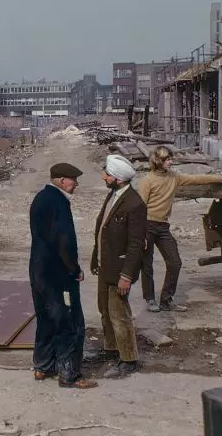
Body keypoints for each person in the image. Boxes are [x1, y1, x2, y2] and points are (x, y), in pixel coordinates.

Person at [139, 146, 222, 312]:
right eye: (167, 160)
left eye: (170, 159)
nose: (171, 162)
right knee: (146, 264)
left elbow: (197, 178)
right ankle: (150, 299)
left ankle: (166, 300)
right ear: (158, 161)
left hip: (163, 227)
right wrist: (139, 232)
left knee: (175, 263)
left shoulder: (174, 177)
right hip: (147, 225)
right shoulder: (147, 180)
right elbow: (140, 207)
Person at [29, 162, 97, 389]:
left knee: (45, 317)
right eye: (73, 179)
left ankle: (43, 366)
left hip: (38, 270)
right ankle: (69, 374)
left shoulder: (40, 198)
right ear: (60, 179)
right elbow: (64, 241)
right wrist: (74, 269)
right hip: (58, 273)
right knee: (68, 321)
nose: (76, 183)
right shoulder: (59, 203)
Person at [89, 155, 147, 379]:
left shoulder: (134, 204)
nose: (104, 177)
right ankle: (111, 350)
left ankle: (129, 359)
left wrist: (126, 275)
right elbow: (102, 231)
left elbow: (136, 245)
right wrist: (96, 259)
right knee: (104, 310)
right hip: (106, 267)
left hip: (119, 270)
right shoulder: (113, 196)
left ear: (119, 179)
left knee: (119, 315)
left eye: (108, 175)